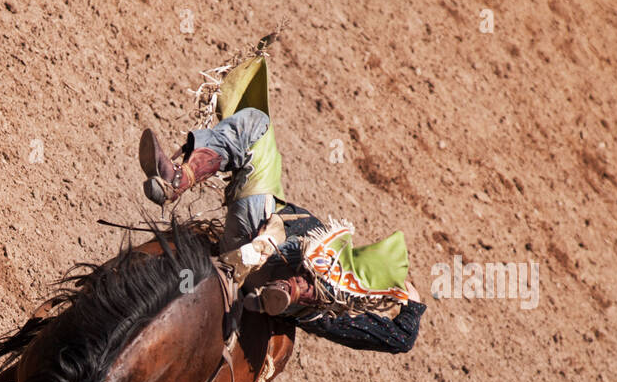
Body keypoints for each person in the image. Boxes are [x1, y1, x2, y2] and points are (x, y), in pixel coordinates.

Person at [138, 52, 425, 353]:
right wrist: (411, 310)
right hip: (258, 249)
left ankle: (179, 179)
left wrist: (410, 308)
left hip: (256, 228)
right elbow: (400, 339)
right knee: (320, 297)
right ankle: (284, 290)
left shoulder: (336, 270)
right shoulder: (344, 302)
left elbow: (399, 339)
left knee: (257, 124)